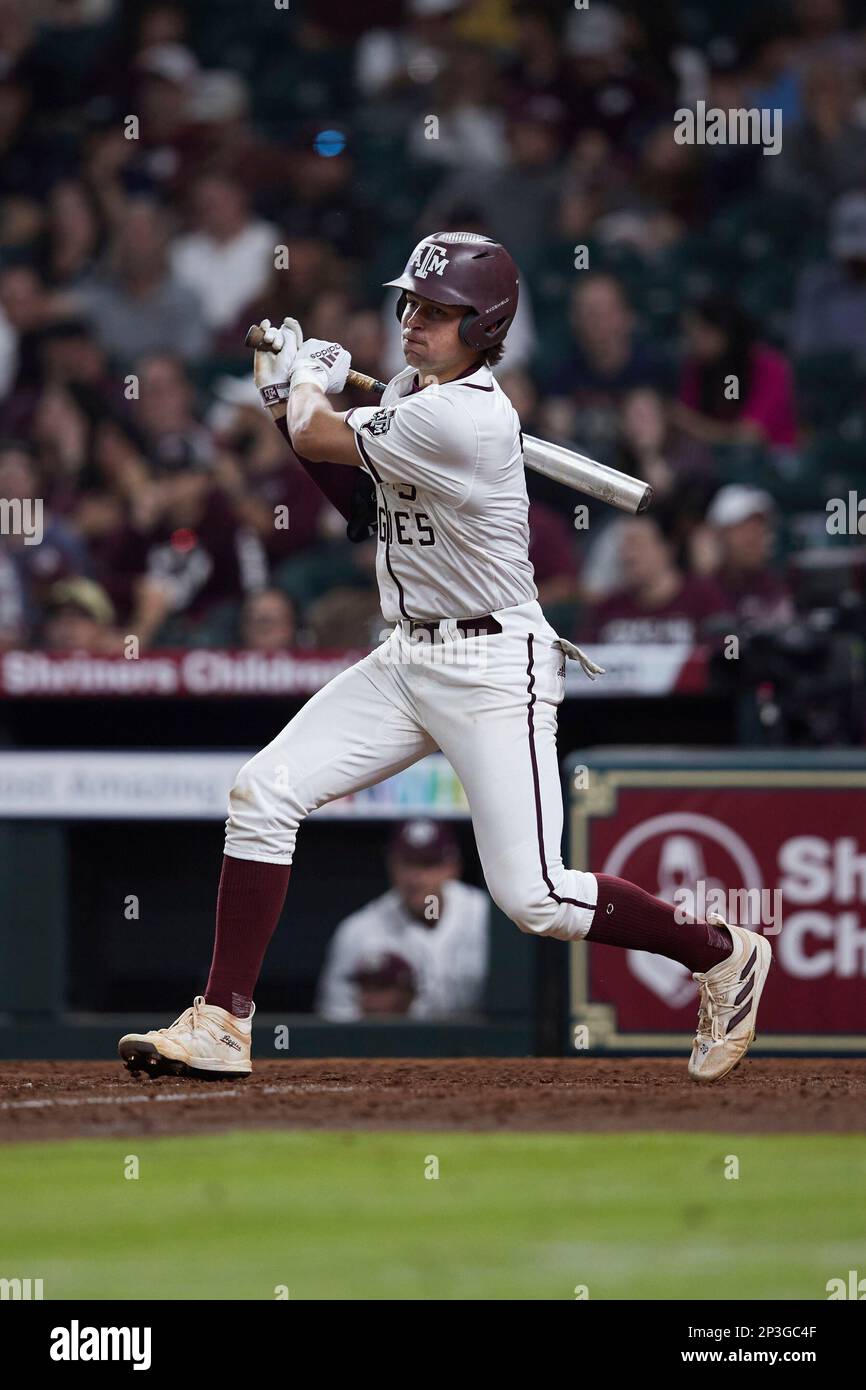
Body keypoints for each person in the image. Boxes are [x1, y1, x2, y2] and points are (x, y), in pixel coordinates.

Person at [119, 232, 771, 1085]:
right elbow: (357, 505)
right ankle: (222, 1021)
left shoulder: (460, 418)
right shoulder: (412, 396)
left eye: (438, 311)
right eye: (411, 305)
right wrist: (286, 398)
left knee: (534, 897)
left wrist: (300, 386)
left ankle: (721, 953)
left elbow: (319, 433)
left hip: (494, 666)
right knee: (262, 792)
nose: (414, 322)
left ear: (486, 325)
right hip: (406, 657)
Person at [316, 819, 489, 1022]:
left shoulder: (486, 918)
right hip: (392, 1041)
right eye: (408, 863)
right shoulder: (358, 931)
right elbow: (336, 1017)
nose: (416, 878)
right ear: (391, 865)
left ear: (453, 867)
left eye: (429, 864)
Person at [577, 515, 732, 645]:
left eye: (637, 544)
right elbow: (582, 660)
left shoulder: (703, 598)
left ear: (667, 548)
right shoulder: (607, 608)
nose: (627, 556)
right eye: (623, 548)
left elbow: (723, 653)